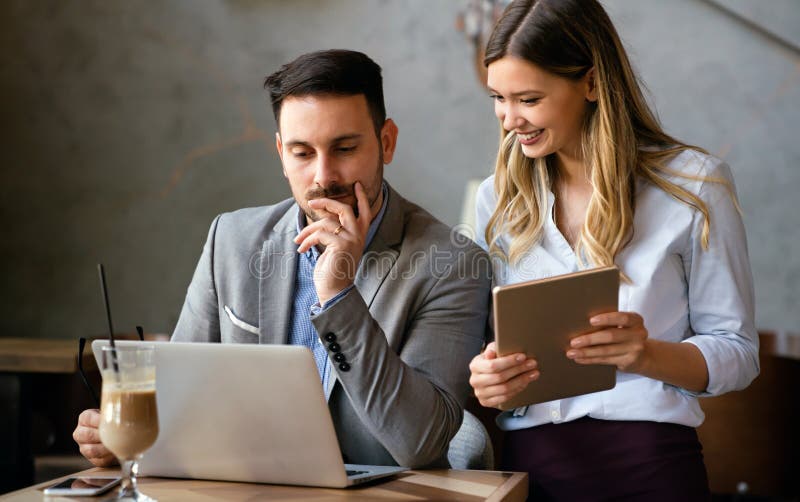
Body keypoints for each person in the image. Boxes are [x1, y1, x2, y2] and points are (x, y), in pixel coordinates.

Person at [74, 49, 491, 469]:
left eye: (344, 148)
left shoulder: (451, 263)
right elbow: (179, 399)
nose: (324, 176)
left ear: (386, 142)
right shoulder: (231, 241)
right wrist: (121, 434)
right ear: (280, 154)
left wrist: (338, 296)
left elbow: (419, 443)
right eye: (302, 153)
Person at [467, 0, 759, 500]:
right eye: (499, 97)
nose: (510, 119)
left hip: (650, 465)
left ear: (593, 82)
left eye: (529, 99)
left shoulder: (693, 185)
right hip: (527, 472)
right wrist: (485, 378)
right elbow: (484, 342)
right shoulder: (497, 198)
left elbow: (738, 352)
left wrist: (645, 354)